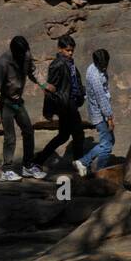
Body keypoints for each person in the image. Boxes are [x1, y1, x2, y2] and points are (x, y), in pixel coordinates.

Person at [0, 35, 55, 182]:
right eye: (21, 53)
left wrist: (44, 84)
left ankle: (28, 166)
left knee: (29, 131)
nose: (24, 55)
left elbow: (33, 71)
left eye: (26, 52)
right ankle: (7, 170)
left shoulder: (26, 55)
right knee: (10, 137)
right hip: (5, 103)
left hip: (18, 101)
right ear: (14, 51)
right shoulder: (3, 63)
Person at [35, 35, 85, 169]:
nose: (70, 53)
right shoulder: (57, 64)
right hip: (66, 104)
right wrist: (50, 109)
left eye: (72, 50)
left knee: (63, 136)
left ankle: (38, 160)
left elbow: (74, 81)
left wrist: (81, 93)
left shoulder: (70, 63)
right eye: (67, 50)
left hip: (72, 102)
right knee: (78, 134)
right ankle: (79, 164)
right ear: (60, 49)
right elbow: (51, 89)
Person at [74, 49, 114, 177]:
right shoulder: (95, 76)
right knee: (107, 145)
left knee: (109, 141)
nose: (104, 67)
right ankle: (98, 173)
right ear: (97, 62)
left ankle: (83, 162)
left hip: (97, 111)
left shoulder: (92, 67)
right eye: (102, 64)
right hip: (100, 114)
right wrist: (109, 118)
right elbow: (101, 99)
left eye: (105, 64)